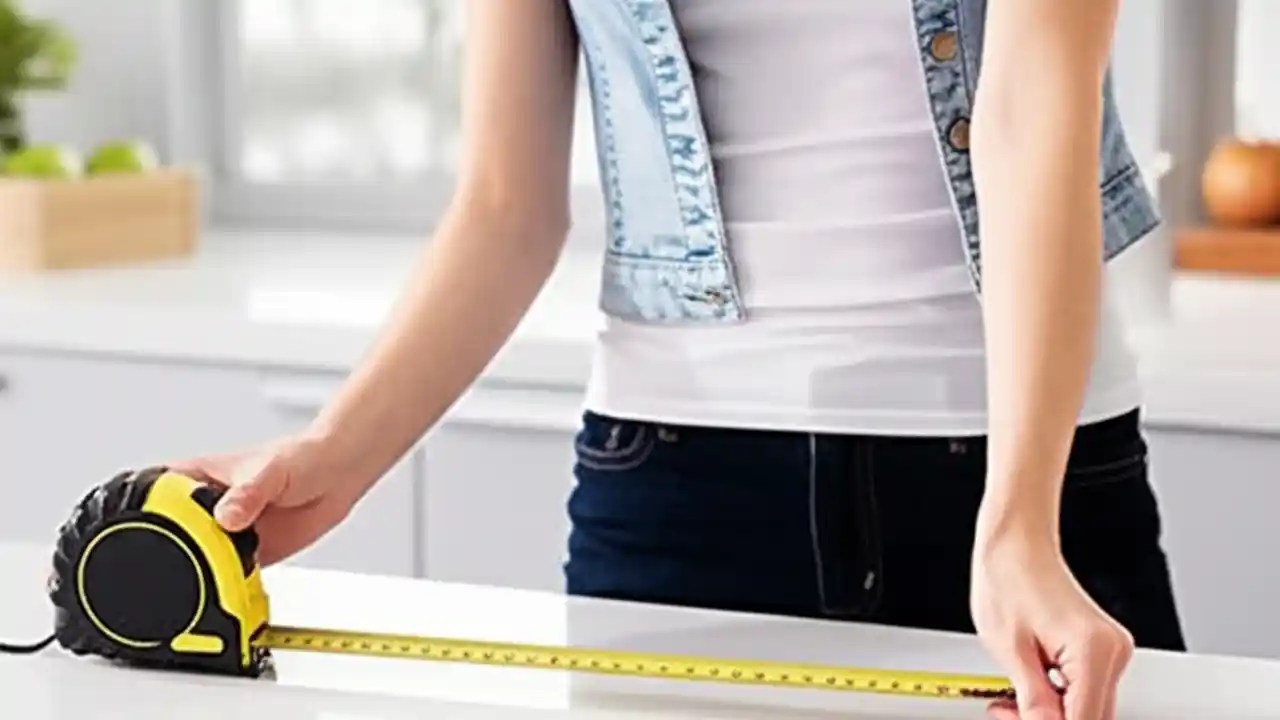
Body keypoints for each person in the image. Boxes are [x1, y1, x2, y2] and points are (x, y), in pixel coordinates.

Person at [170, 1, 1186, 718]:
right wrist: (333, 457)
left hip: (1026, 479)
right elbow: (504, 208)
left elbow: (1035, 107)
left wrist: (1016, 526)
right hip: (678, 487)